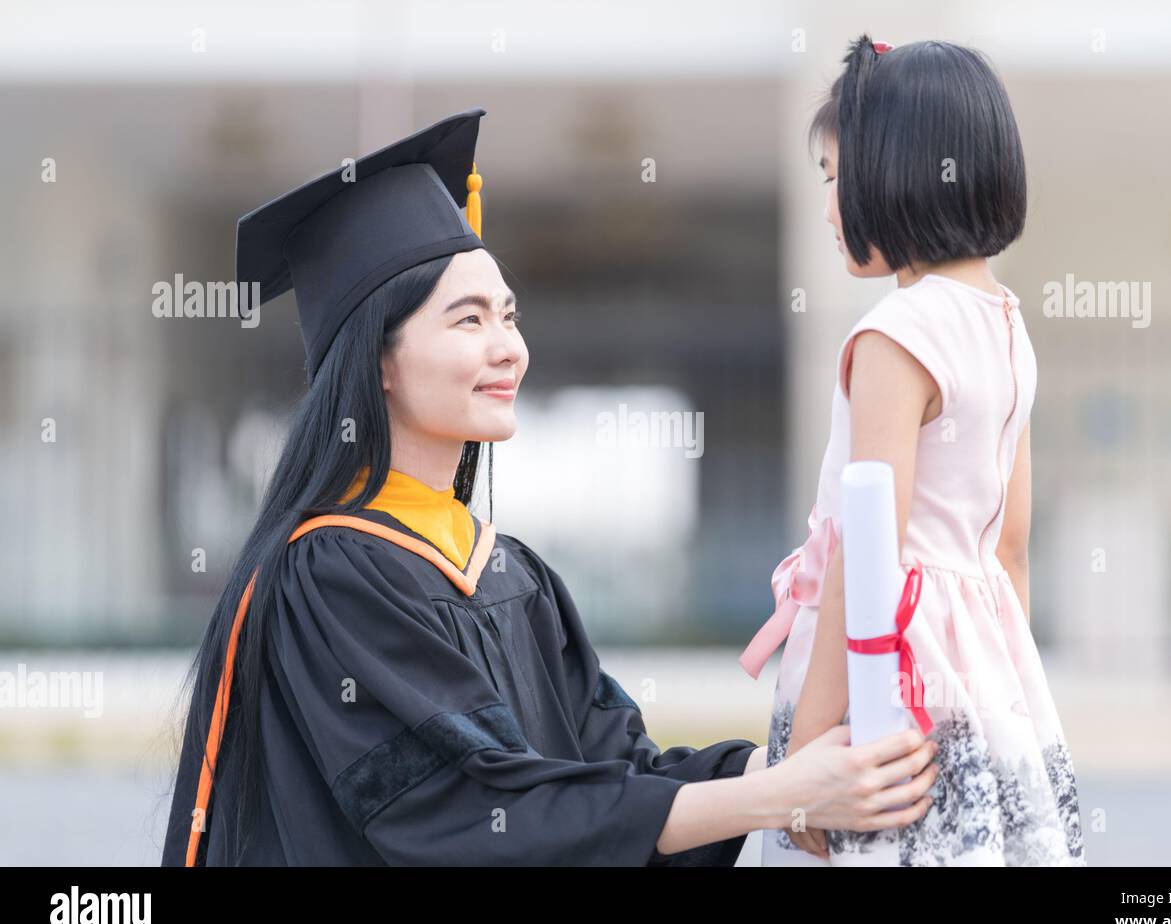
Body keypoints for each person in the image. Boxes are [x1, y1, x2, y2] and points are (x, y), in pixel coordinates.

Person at [160, 108, 938, 866]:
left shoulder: (511, 573)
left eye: (509, 315)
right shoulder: (330, 575)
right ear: (380, 362)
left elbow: (613, 773)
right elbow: (479, 820)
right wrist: (778, 797)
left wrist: (797, 772)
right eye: (468, 322)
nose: (508, 348)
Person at [742, 36, 1087, 866]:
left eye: (834, 181)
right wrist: (1004, 690)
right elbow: (1009, 547)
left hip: (888, 668)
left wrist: (807, 762)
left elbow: (868, 546)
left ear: (894, 174)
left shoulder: (898, 332)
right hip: (980, 664)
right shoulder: (1006, 324)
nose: (829, 210)